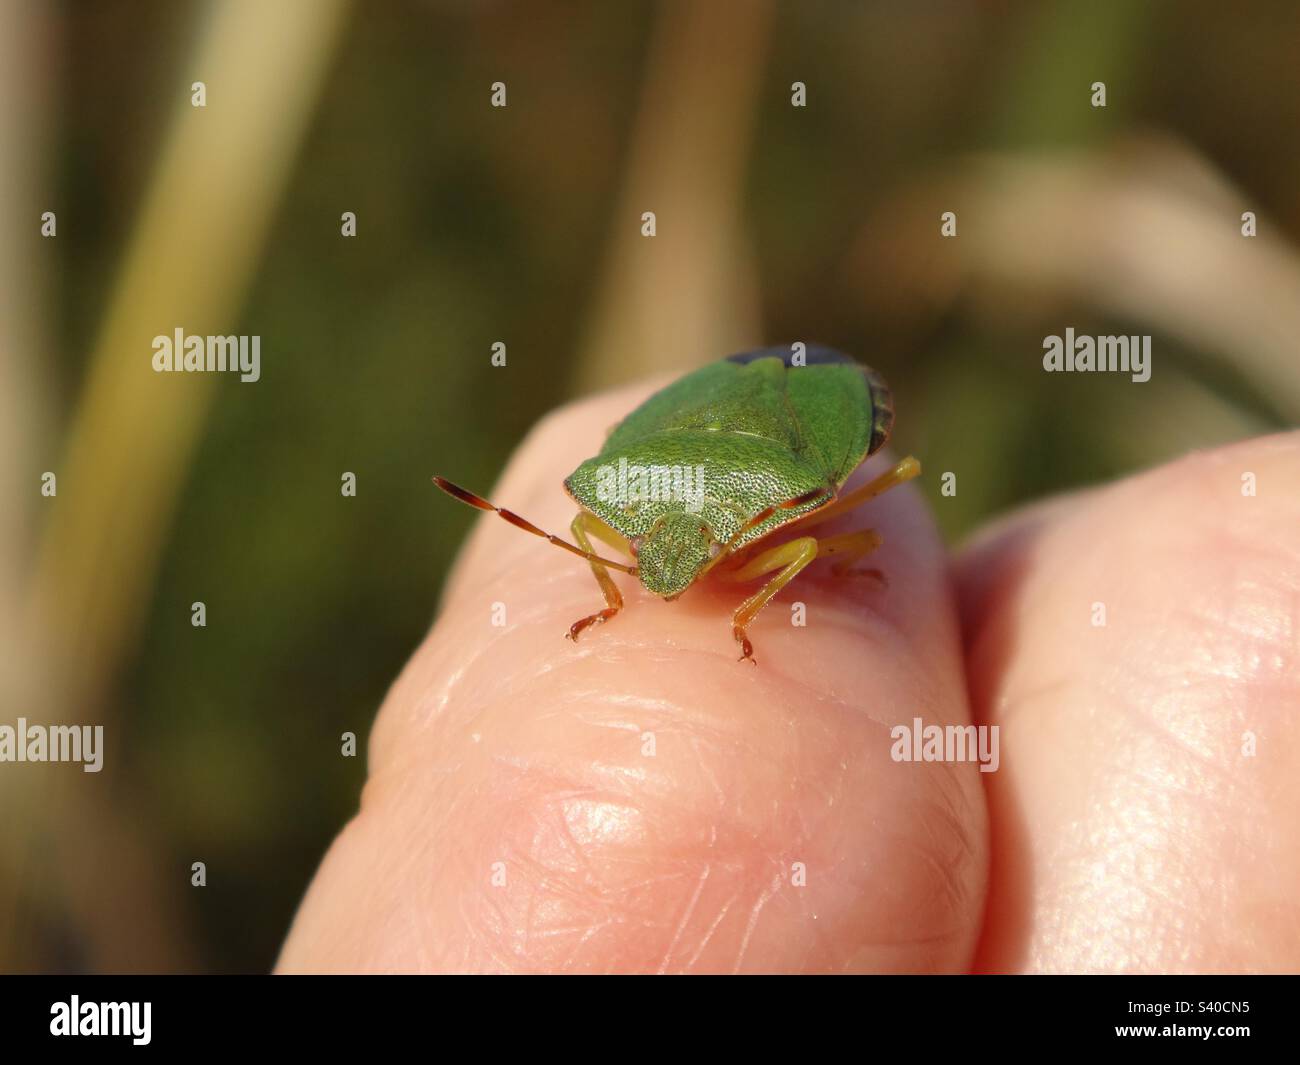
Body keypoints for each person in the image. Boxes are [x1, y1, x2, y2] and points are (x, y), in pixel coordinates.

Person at [277, 381, 1300, 974]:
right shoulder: (622, 519)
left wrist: (770, 596)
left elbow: (807, 551)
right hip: (716, 416)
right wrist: (607, 589)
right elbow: (592, 523)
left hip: (793, 420)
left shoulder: (776, 530)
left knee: (845, 526)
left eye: (684, 549)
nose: (664, 574)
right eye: (640, 554)